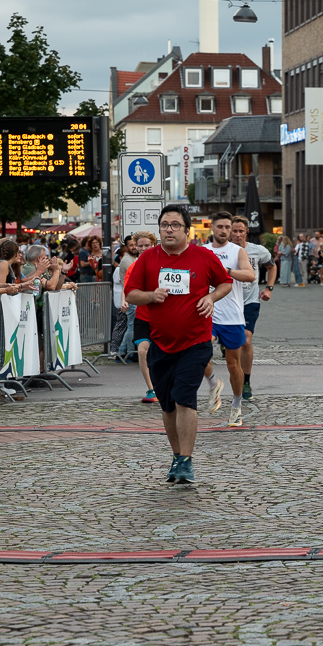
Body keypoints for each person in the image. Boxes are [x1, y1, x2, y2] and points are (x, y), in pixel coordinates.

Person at [123, 205, 233, 483]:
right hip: (160, 342)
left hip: (195, 342)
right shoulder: (148, 258)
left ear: (186, 229)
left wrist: (211, 298)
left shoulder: (203, 256)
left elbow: (225, 283)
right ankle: (177, 457)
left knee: (185, 398)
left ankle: (186, 460)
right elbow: (131, 294)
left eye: (174, 224)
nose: (169, 229)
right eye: (164, 225)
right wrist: (150, 296)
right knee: (168, 405)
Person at [200, 212, 255, 427]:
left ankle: (236, 406)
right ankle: (213, 383)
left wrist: (226, 271)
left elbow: (250, 276)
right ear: (212, 228)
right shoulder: (202, 251)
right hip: (208, 312)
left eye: (228, 227)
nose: (224, 231)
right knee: (200, 353)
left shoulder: (238, 251)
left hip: (232, 316)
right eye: (220, 226)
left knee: (234, 365)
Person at [231, 215, 276, 400]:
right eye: (234, 231)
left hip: (250, 301)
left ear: (246, 232)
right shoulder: (222, 251)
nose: (238, 234)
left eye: (241, 231)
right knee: (232, 344)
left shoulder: (258, 251)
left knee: (246, 341)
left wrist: (269, 288)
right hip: (228, 302)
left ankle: (246, 381)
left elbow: (272, 267)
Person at [123, 231, 158, 401]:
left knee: (162, 354)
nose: (143, 248)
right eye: (140, 246)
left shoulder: (162, 263)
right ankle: (151, 389)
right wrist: (124, 300)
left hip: (162, 318)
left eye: (147, 245)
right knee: (143, 350)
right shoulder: (133, 266)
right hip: (143, 317)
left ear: (154, 245)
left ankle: (164, 384)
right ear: (136, 247)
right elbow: (127, 287)